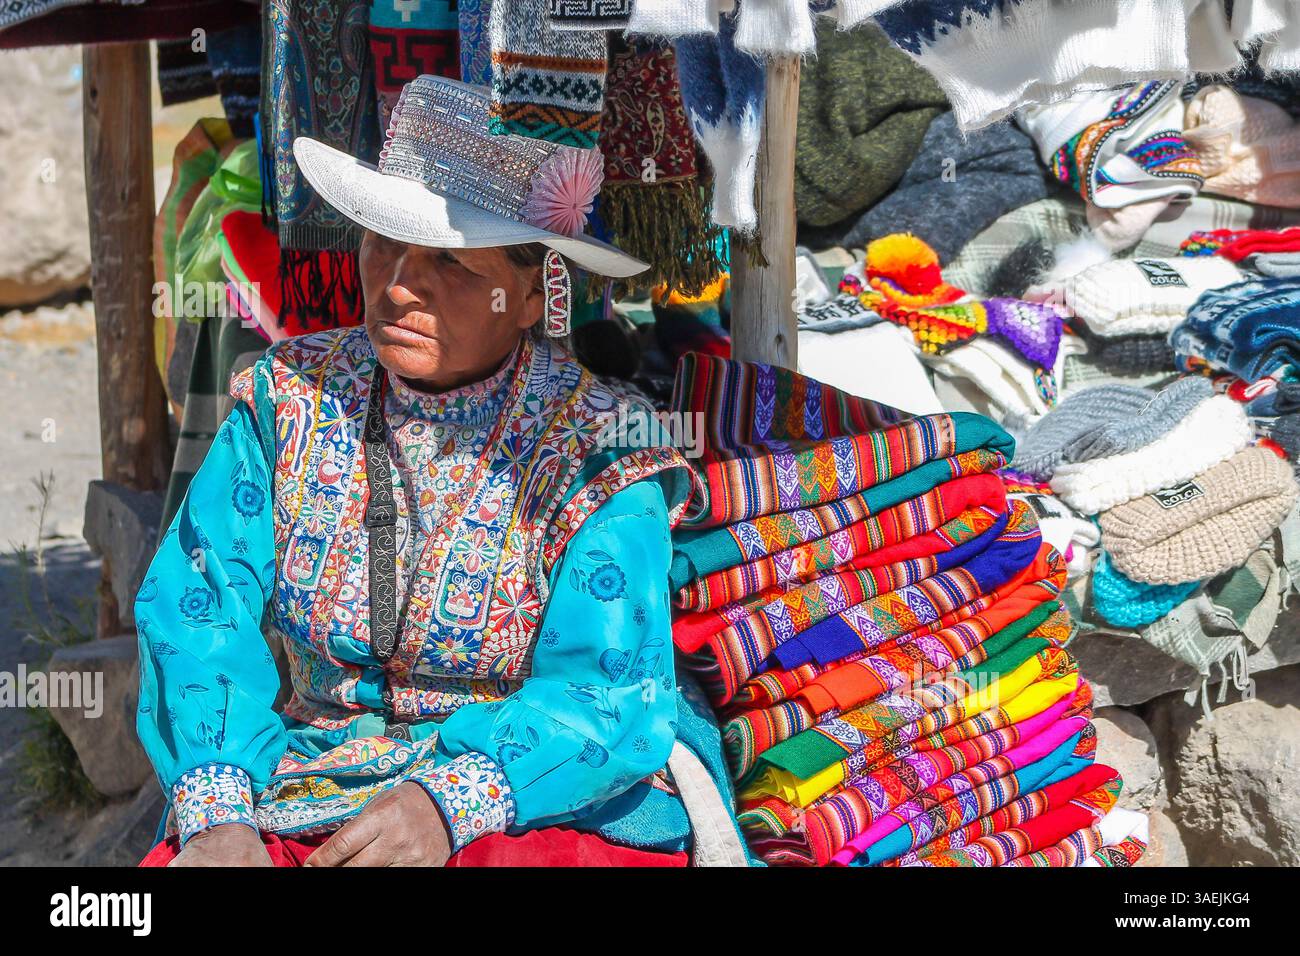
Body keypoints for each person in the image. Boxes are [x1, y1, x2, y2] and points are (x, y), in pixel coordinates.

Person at [134, 74, 730, 867]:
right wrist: (217, 811)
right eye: (383, 245)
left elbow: (607, 690)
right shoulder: (286, 398)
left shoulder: (604, 448)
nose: (400, 286)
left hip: (535, 795)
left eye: (450, 263)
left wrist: (449, 803)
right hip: (308, 778)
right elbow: (198, 603)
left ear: (528, 297)